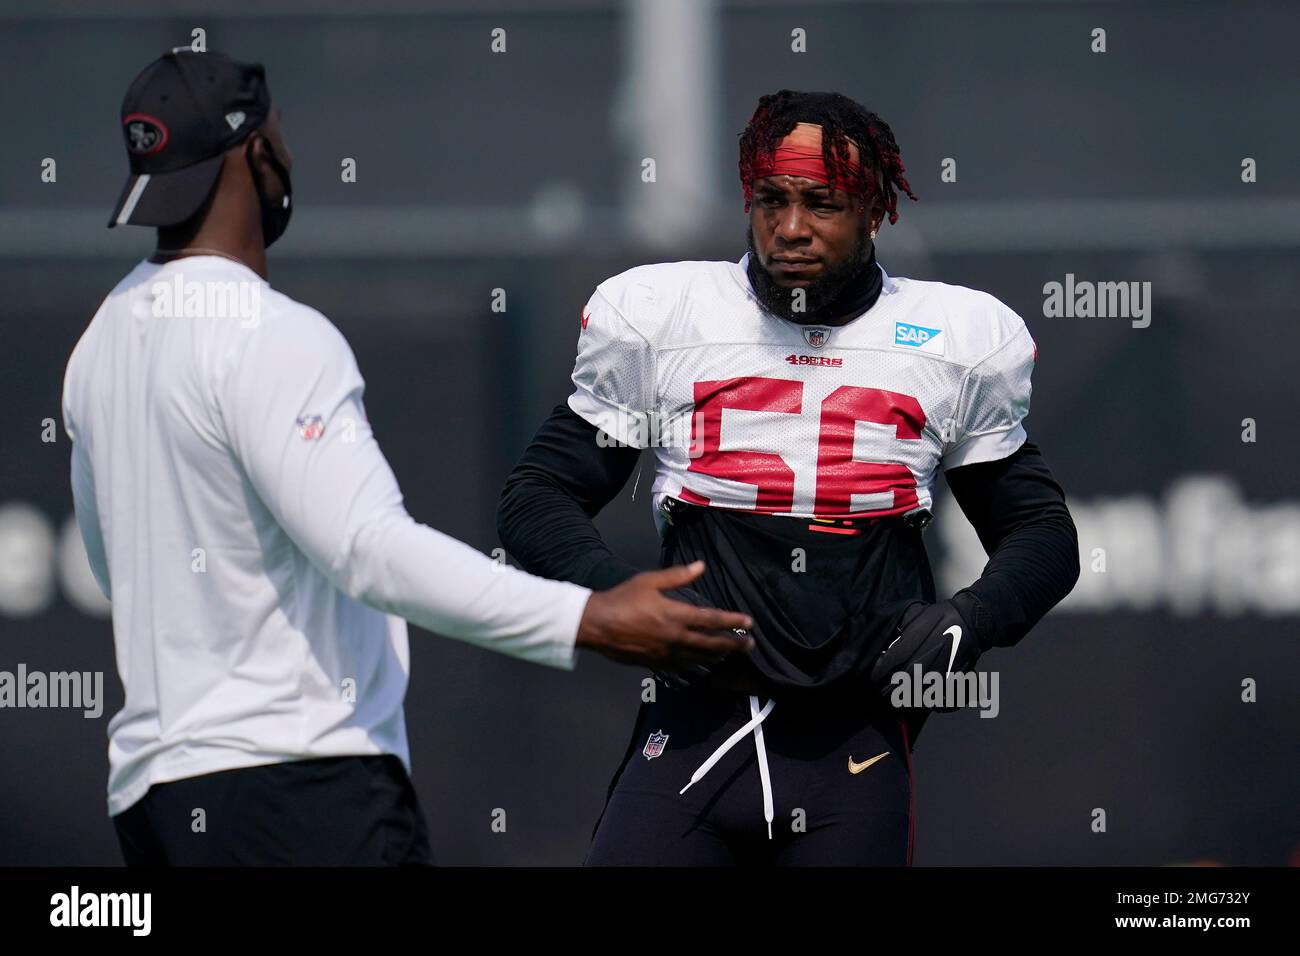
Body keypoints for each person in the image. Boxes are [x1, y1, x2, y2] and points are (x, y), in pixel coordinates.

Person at [63, 49, 751, 867]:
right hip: (302, 795)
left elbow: (116, 570)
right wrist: (589, 618)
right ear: (258, 151)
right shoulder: (272, 333)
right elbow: (368, 550)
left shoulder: (101, 343)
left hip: (157, 805)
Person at [498, 90, 1080, 866]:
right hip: (693, 729)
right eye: (772, 200)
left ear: (874, 213)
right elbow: (537, 495)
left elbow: (1041, 534)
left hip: (854, 745)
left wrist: (972, 620)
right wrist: (616, 593)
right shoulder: (665, 318)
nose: (791, 228)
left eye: (822, 203)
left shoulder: (954, 341)